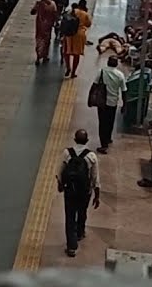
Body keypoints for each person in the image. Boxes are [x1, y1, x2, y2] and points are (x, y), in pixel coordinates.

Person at [56, 128, 100, 257]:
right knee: (82, 211)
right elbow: (95, 178)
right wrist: (97, 195)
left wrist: (60, 185)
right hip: (84, 191)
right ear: (87, 141)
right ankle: (80, 232)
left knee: (70, 217)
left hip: (70, 190)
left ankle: (71, 247)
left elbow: (60, 172)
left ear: (74, 139)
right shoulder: (91, 156)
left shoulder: (67, 153)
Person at [95, 55, 126, 153]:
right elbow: (124, 91)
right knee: (110, 121)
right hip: (113, 102)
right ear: (117, 64)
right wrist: (124, 104)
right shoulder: (120, 75)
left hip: (102, 102)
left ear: (108, 62)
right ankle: (108, 138)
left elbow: (95, 85)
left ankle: (103, 144)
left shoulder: (101, 72)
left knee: (102, 122)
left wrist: (91, 99)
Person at [61, 0, 92, 78]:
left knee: (67, 52)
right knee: (76, 55)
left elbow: (64, 18)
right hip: (79, 34)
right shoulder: (85, 14)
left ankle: (68, 67)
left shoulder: (71, 11)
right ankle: (73, 72)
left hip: (69, 33)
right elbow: (88, 24)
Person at [30, 0, 59, 65]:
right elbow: (55, 14)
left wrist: (37, 6)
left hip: (39, 25)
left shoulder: (39, 4)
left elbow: (32, 12)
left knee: (39, 40)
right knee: (47, 41)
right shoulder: (52, 4)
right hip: (48, 26)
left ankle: (38, 57)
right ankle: (45, 56)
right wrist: (56, 22)